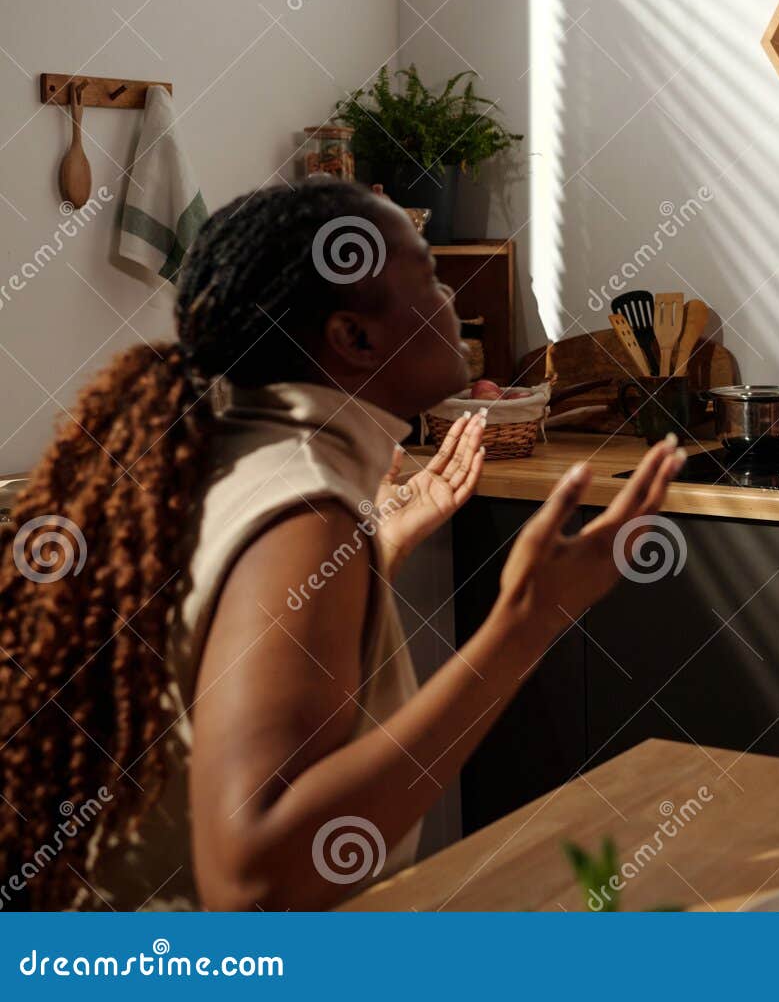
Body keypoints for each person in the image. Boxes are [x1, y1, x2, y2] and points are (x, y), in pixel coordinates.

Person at [0, 179, 686, 909]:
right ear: (354, 338)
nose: (450, 295)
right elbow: (255, 878)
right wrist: (527, 619)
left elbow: (212, 657)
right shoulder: (304, 510)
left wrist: (371, 554)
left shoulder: (215, 455)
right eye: (426, 277)